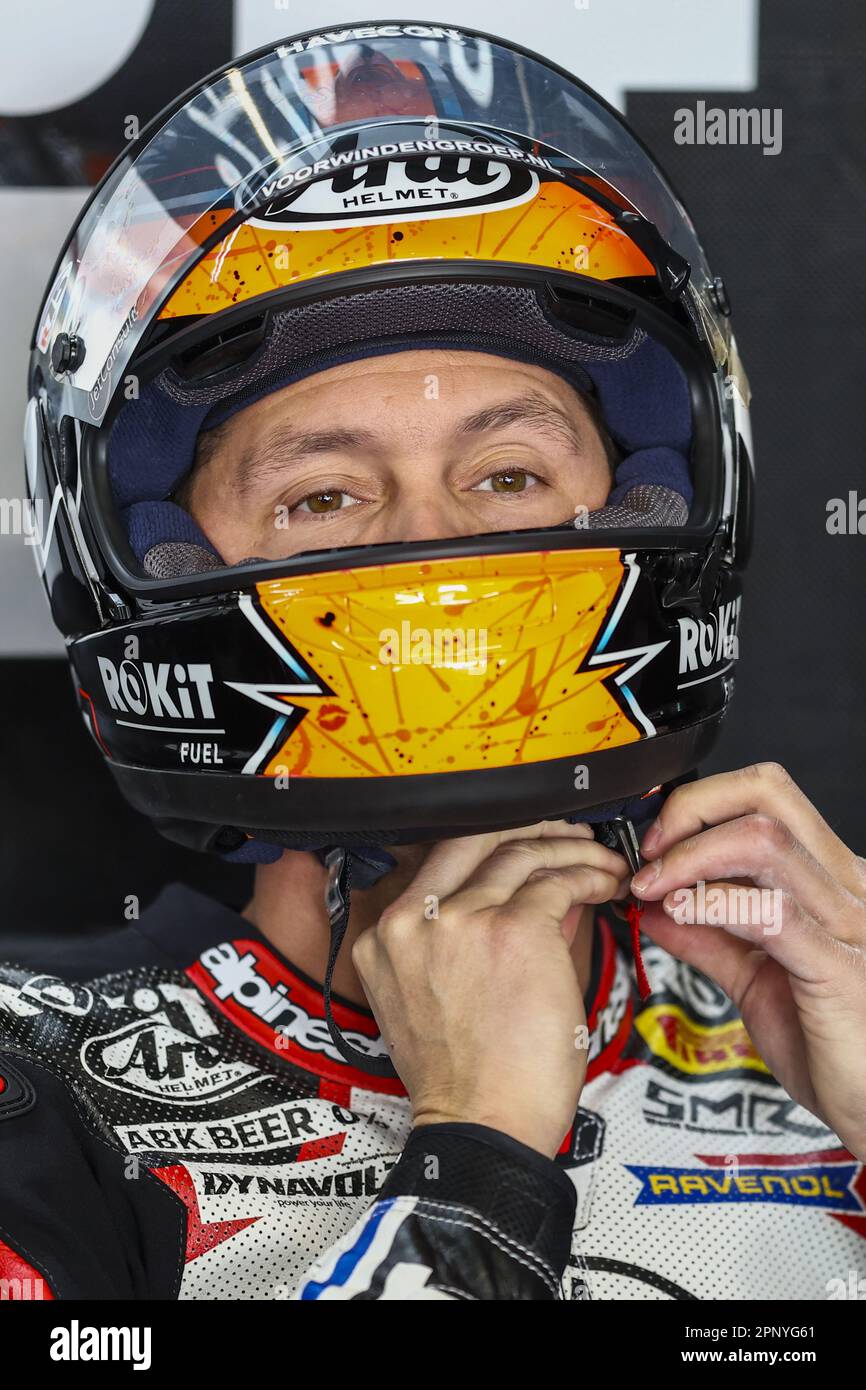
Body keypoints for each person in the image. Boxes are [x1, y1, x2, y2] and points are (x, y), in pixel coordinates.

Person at [3, 22, 864, 1302]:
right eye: (324, 496)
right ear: (161, 563)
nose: (430, 546)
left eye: (507, 476)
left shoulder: (825, 1007)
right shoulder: (41, 1078)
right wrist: (477, 1151)